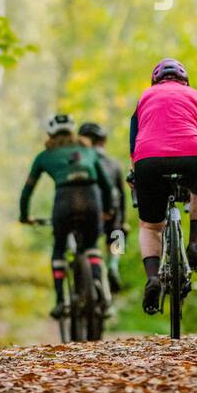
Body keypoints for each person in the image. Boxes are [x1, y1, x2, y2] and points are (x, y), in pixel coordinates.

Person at [129, 59, 197, 315]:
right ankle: (195, 244)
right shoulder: (195, 96)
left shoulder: (144, 97)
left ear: (155, 81)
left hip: (149, 160)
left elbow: (133, 143)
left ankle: (153, 277)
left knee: (150, 225)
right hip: (193, 156)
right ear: (185, 80)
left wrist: (135, 172)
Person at [19, 113, 114, 318]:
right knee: (92, 247)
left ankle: (62, 301)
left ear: (50, 134)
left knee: (59, 248)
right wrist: (108, 210)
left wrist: (24, 216)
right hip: (91, 200)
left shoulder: (44, 156)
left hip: (64, 201)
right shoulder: (87, 149)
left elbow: (27, 190)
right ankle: (100, 289)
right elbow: (106, 184)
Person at [78, 122, 126, 294]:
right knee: (118, 234)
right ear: (102, 141)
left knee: (83, 243)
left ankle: (83, 272)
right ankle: (113, 265)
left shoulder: (80, 161)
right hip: (111, 213)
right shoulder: (113, 164)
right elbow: (121, 197)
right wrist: (123, 221)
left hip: (85, 212)